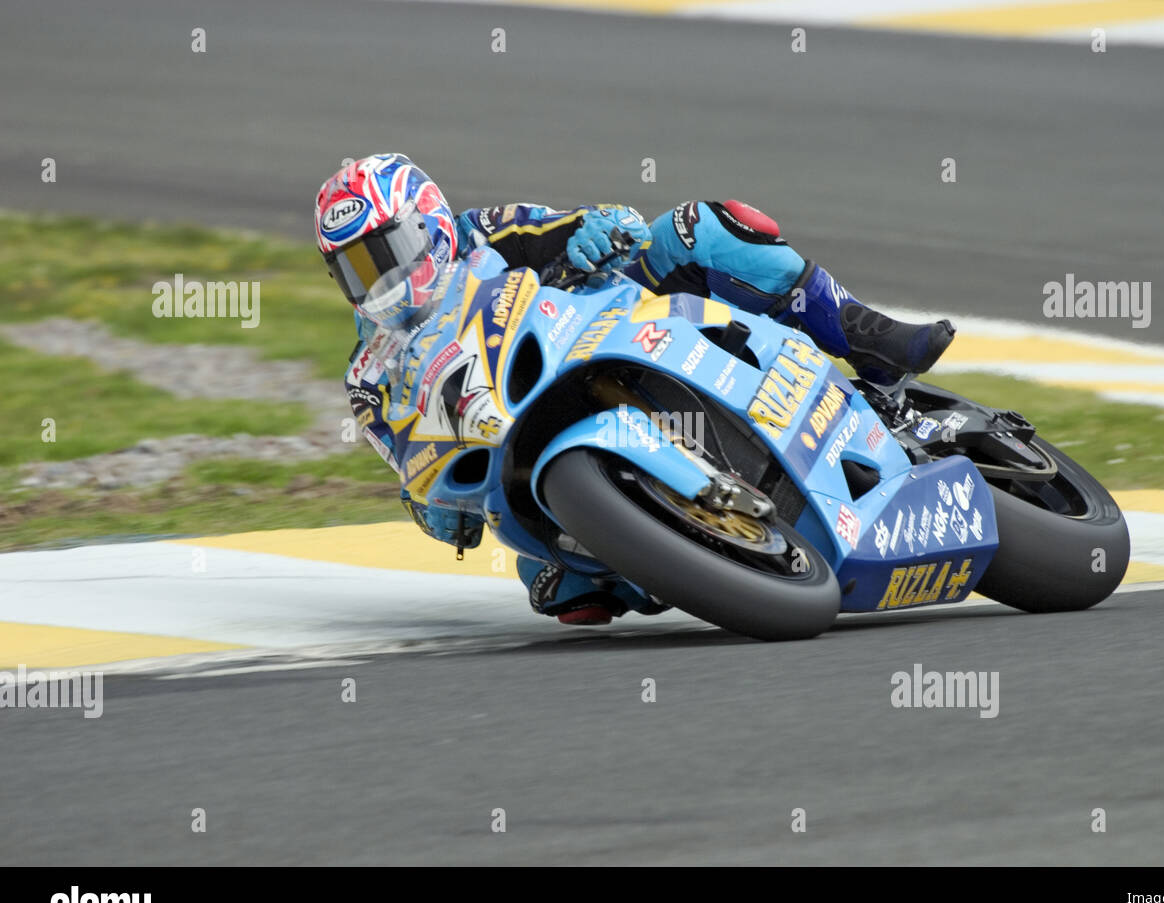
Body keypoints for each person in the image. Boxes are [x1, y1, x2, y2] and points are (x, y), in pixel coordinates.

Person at [316, 153, 953, 625]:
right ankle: (667, 551)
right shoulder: (369, 372)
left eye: (389, 250)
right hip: (522, 448)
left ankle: (867, 339)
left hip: (602, 336)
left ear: (428, 221)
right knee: (561, 592)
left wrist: (601, 236)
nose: (384, 278)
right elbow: (408, 470)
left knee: (705, 226)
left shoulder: (488, 232)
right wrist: (434, 508)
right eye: (358, 268)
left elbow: (596, 223)